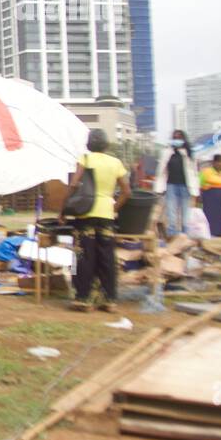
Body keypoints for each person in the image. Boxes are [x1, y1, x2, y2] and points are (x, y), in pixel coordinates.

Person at [61, 128, 130, 312]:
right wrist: (113, 208)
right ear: (106, 144)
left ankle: (82, 299)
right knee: (106, 258)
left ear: (89, 144)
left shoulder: (85, 159)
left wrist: (64, 208)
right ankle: (109, 300)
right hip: (106, 215)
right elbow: (126, 192)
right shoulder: (116, 162)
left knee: (83, 257)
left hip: (85, 215)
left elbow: (75, 183)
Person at [153, 129, 198, 237]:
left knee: (185, 213)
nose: (177, 140)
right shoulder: (167, 152)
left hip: (185, 186)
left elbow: (195, 172)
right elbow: (160, 171)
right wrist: (158, 188)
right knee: (171, 212)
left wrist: (196, 190)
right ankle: (172, 235)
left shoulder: (189, 153)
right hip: (171, 186)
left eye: (179, 138)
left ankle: (185, 235)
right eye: (175, 138)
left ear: (183, 139)